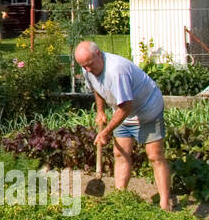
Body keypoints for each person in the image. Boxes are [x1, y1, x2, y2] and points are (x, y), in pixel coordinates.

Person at [73, 40, 172, 211]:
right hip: (123, 113)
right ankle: (121, 198)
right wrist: (100, 111)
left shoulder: (117, 70)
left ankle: (165, 203)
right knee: (120, 154)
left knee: (155, 156)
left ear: (98, 54)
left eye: (89, 64)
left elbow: (126, 106)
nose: (87, 69)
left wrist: (106, 132)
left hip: (147, 110)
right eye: (83, 66)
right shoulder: (88, 68)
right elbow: (97, 88)